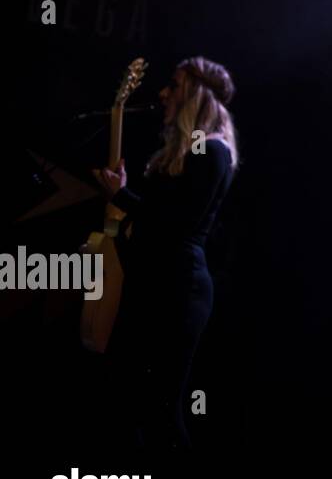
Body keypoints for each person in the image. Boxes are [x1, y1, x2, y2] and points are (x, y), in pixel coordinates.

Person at [94, 56, 238, 448]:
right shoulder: (185, 153)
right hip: (156, 283)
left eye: (173, 85)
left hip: (178, 291)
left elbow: (176, 223)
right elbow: (157, 217)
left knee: (160, 409)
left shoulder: (213, 152)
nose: (162, 93)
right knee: (128, 404)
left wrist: (122, 197)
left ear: (195, 95)